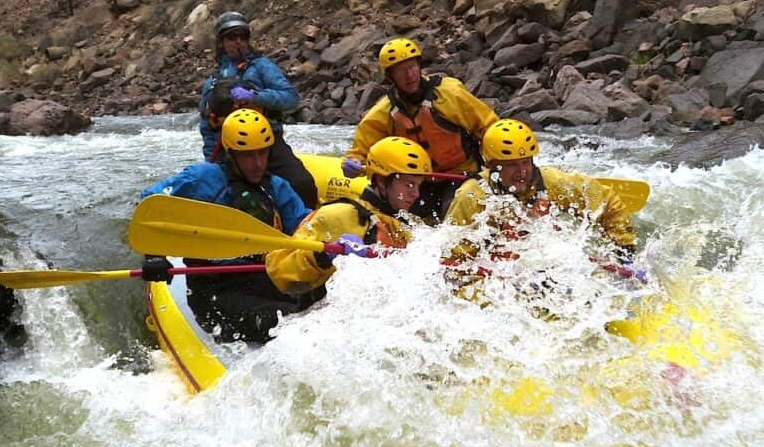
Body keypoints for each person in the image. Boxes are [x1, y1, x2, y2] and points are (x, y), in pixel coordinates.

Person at [140, 108, 324, 343]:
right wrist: (153, 253)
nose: (257, 164)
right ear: (231, 154)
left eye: (262, 153)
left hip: (267, 278)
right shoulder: (202, 178)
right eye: (248, 155)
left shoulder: (277, 187)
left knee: (321, 303)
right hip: (215, 289)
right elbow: (150, 203)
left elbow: (305, 227)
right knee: (284, 322)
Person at [341, 36, 498, 221]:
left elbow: (490, 128)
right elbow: (359, 153)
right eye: (401, 71)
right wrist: (352, 163)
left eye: (412, 67)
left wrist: (496, 167)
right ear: (391, 77)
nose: (409, 75)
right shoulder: (383, 113)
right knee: (376, 207)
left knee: (452, 210)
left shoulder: (450, 95)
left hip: (461, 177)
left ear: (419, 66)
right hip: (417, 184)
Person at [445, 119, 639, 267]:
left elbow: (609, 202)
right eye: (512, 165)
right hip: (498, 270)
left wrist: (625, 253)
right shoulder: (471, 197)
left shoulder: (551, 181)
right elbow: (452, 259)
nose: (522, 172)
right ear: (492, 165)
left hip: (542, 264)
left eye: (526, 162)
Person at [266, 137, 432, 298]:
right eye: (409, 185)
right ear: (381, 182)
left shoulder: (410, 225)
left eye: (418, 186)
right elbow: (280, 272)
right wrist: (324, 254)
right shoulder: (339, 215)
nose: (416, 194)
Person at [198, 10, 318, 209]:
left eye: (243, 36)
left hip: (267, 143)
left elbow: (291, 99)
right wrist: (211, 162)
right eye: (231, 37)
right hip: (230, 149)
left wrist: (255, 97)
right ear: (221, 42)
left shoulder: (262, 67)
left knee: (302, 184)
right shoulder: (212, 82)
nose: (238, 41)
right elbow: (207, 124)